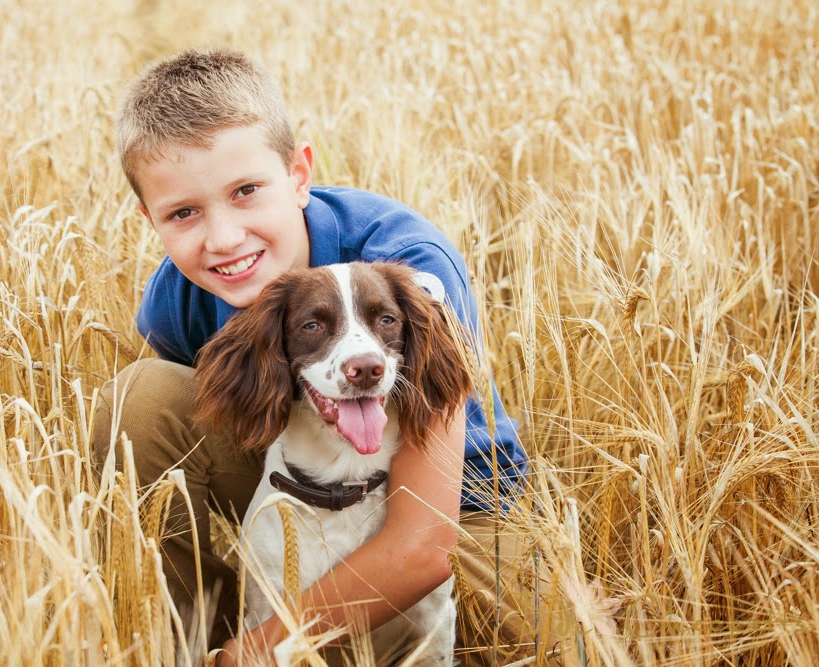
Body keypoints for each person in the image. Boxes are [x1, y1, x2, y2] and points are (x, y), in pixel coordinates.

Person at [92, 48, 563, 665]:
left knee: (560, 646)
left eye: (246, 191)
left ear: (298, 174)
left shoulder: (405, 263)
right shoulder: (175, 298)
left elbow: (422, 546)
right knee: (141, 399)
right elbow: (178, 445)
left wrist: (254, 654)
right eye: (183, 212)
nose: (224, 238)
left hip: (457, 511)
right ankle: (184, 642)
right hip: (293, 484)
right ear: (149, 218)